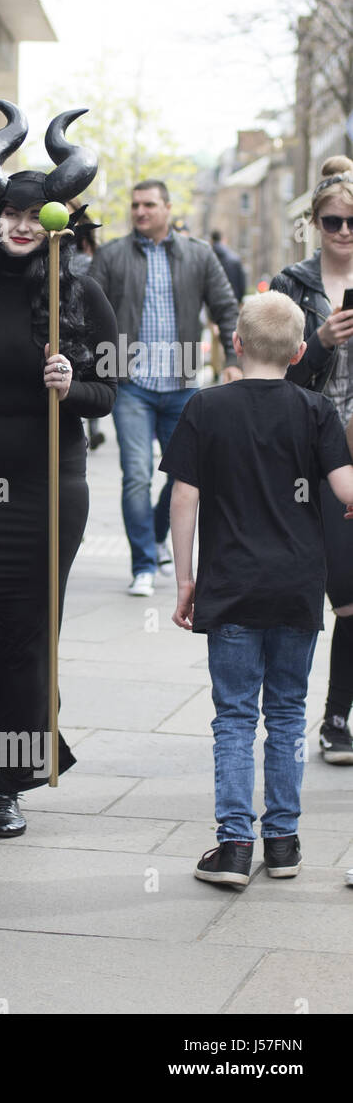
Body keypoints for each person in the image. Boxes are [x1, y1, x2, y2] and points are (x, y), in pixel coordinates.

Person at [0, 100, 118, 837]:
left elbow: (111, 390)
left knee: (27, 635)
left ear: (56, 221)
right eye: (9, 209)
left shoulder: (82, 295)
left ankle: (8, 781)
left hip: (48, 488)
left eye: (35, 211)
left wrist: (75, 386)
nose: (19, 221)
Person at [162, 292, 353, 885]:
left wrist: (186, 580)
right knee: (290, 715)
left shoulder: (205, 407)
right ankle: (284, 843)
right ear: (300, 352)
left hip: (232, 585)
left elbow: (184, 499)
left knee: (236, 718)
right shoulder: (316, 411)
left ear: (236, 344)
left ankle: (235, 847)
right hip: (297, 587)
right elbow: (346, 489)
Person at [89, 179, 239, 597]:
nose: (140, 212)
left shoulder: (199, 255)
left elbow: (227, 309)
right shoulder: (112, 255)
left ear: (168, 208)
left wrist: (233, 361)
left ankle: (156, 540)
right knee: (136, 475)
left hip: (183, 383)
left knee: (184, 476)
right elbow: (87, 310)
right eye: (135, 205)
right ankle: (143, 564)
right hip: (130, 381)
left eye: (149, 205)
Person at [270, 155, 353, 764]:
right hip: (310, 454)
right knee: (337, 589)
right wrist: (318, 344)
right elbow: (273, 374)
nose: (345, 232)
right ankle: (291, 717)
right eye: (332, 222)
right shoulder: (290, 286)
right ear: (314, 224)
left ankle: (337, 716)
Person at [69, 200, 107, 450]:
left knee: (86, 373)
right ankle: (90, 430)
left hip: (80, 320)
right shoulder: (86, 251)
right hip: (77, 322)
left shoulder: (86, 255)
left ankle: (89, 430)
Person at [210, 230, 246, 303]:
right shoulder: (235, 259)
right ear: (223, 240)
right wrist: (240, 300)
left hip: (212, 302)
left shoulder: (207, 258)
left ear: (211, 241)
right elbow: (242, 284)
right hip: (232, 300)